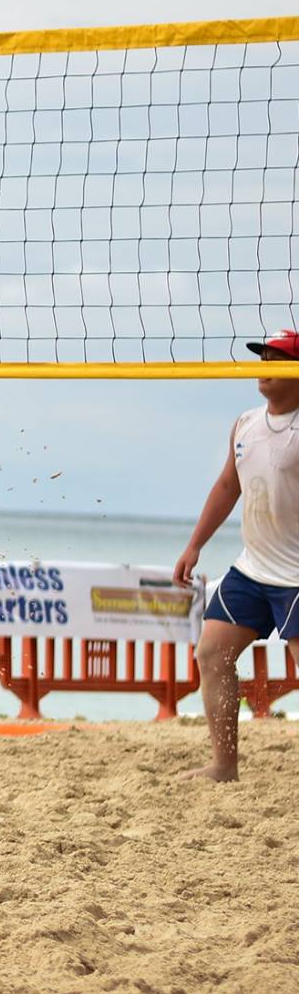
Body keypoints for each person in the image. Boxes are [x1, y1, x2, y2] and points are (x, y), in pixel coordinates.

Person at [172, 330, 299, 782]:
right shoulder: (245, 423)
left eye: (276, 358)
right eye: (262, 355)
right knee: (212, 654)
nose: (264, 363)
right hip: (254, 569)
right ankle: (224, 766)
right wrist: (194, 545)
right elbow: (228, 486)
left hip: (298, 577)